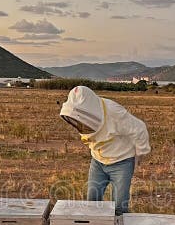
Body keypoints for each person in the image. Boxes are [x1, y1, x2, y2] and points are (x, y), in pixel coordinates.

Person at [60, 85, 150, 215]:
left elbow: (139, 128)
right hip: (97, 162)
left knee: (120, 205)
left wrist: (140, 154)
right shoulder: (85, 113)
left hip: (122, 162)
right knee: (92, 201)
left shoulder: (115, 112)